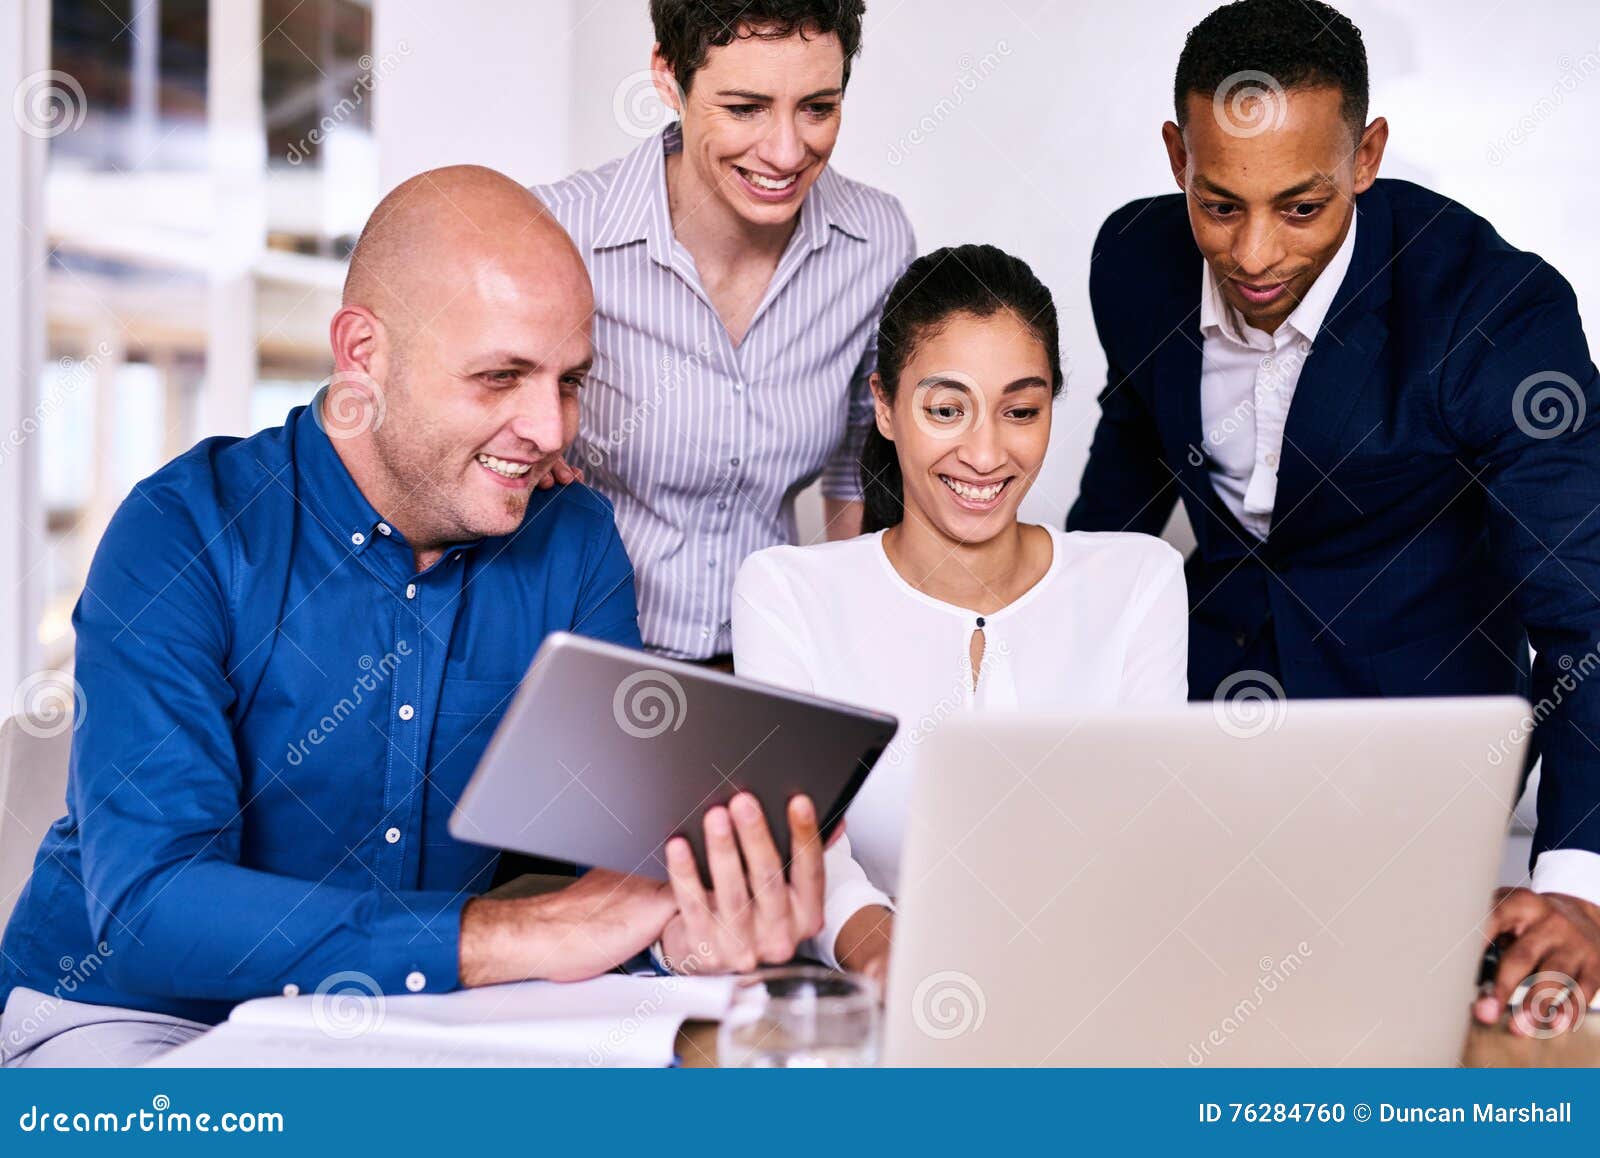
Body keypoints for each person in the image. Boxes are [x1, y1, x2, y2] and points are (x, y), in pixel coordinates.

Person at [0, 167, 826, 1067]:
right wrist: (511, 936)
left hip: (418, 1026)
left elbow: (605, 865)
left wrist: (678, 937)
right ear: (362, 353)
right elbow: (155, 907)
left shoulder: (573, 540)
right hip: (136, 1016)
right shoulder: (182, 532)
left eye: (569, 381)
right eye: (501, 377)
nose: (550, 429)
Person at [1066, 0, 1600, 1027]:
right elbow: (1115, 515)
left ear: (1365, 156)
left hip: (1418, 788)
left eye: (1301, 207)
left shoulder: (1493, 314)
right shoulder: (1131, 264)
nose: (1255, 253)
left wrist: (1578, 890)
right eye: (1218, 204)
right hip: (1197, 763)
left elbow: (1587, 616)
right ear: (1176, 154)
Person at [733, 245, 1190, 981]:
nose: (985, 452)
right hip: (879, 1011)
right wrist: (882, 955)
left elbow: (1150, 829)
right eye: (946, 409)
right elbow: (807, 840)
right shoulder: (787, 592)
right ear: (884, 406)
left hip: (1094, 994)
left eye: (1020, 411)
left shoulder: (1138, 579)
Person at [532, 0, 916, 666]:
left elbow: (860, 473)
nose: (786, 151)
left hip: (768, 659)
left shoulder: (875, 243)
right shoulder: (558, 232)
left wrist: (842, 657)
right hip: (579, 652)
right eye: (745, 108)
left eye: (818, 108)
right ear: (667, 77)